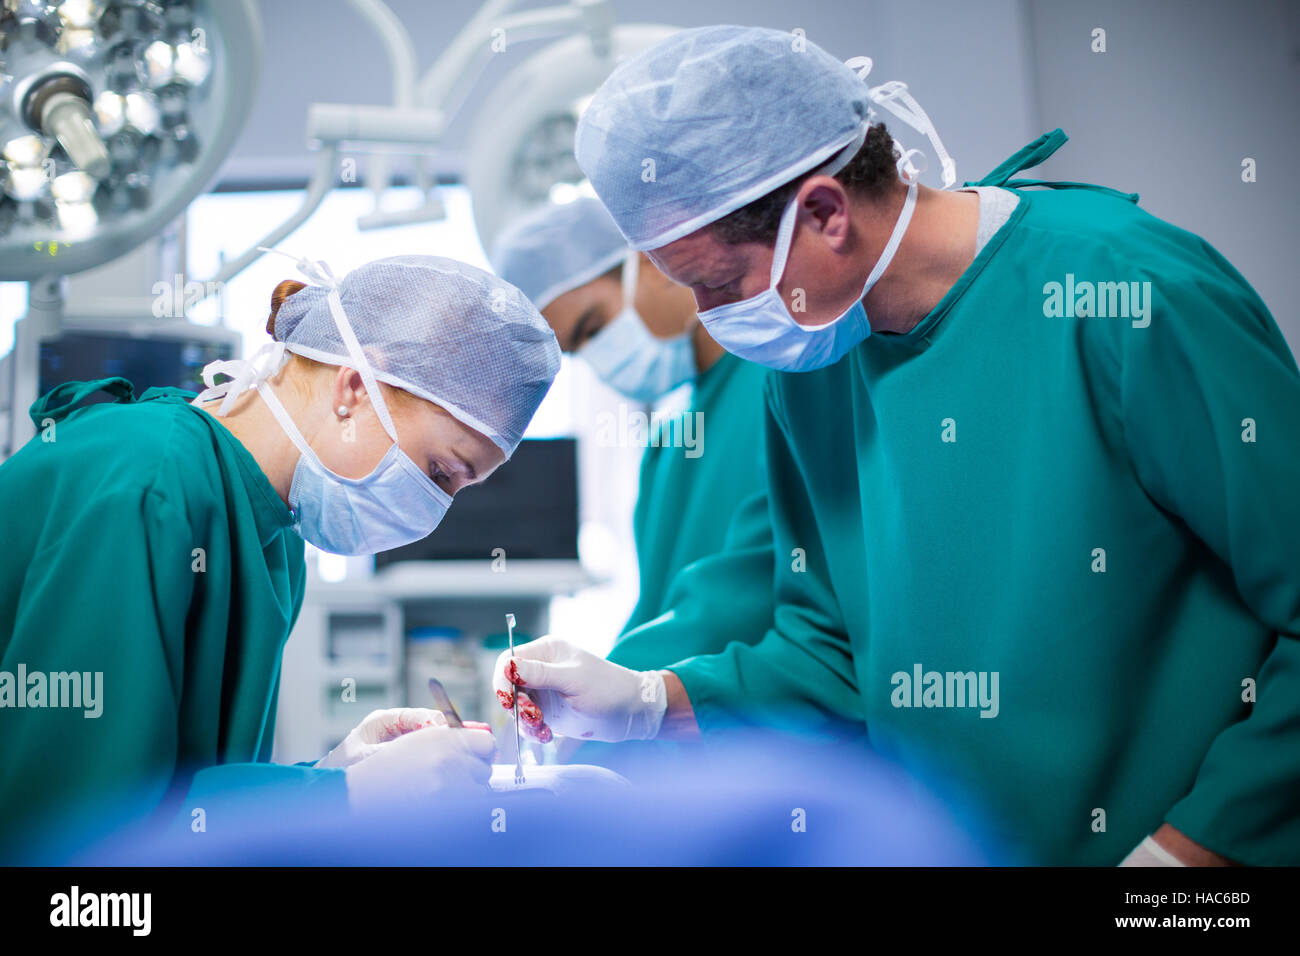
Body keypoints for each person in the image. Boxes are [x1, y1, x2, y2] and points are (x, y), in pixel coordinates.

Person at [493, 26, 1300, 866]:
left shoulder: (1122, 294)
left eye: (720, 286)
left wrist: (1189, 857)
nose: (708, 320)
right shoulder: (812, 363)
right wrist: (648, 702)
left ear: (825, 213)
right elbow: (830, 652)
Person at [0, 253, 561, 859]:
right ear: (353, 387)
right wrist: (338, 796)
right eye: (439, 471)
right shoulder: (147, 482)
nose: (434, 508)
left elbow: (179, 801)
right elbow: (68, 836)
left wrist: (332, 773)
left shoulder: (275, 534)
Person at [491, 198, 771, 654]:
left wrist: (624, 697)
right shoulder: (667, 449)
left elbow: (747, 605)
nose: (601, 359)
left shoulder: (784, 383)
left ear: (651, 262)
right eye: (577, 351)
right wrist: (599, 691)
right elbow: (660, 612)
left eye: (594, 327)